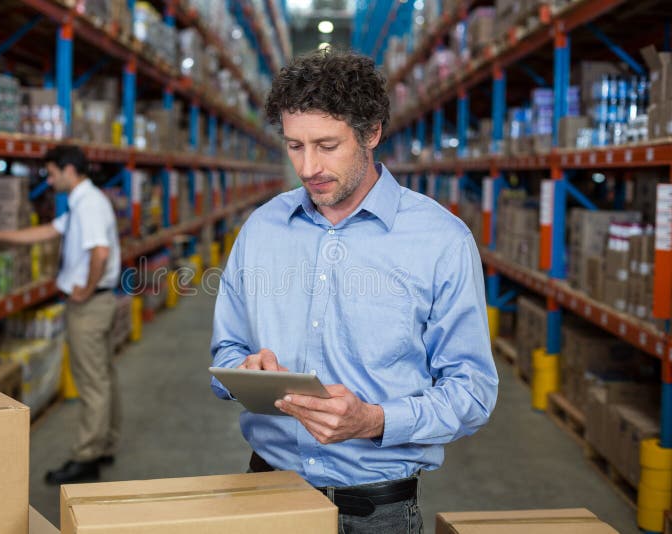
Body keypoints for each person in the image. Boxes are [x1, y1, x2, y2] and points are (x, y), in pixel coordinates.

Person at [209, 48, 499, 533]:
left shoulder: (441, 240)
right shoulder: (262, 229)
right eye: (294, 146)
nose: (307, 167)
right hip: (267, 493)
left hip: (377, 512)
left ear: (371, 133)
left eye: (327, 145)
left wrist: (374, 420)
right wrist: (244, 368)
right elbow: (226, 352)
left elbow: (472, 390)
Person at [0, 144, 122, 484]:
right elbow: (47, 231)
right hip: (97, 301)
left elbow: (100, 252)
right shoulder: (83, 202)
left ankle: (87, 457)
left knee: (92, 381)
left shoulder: (89, 205)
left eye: (52, 173)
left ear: (69, 170)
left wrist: (84, 290)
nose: (49, 179)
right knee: (103, 376)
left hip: (90, 305)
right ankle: (106, 442)